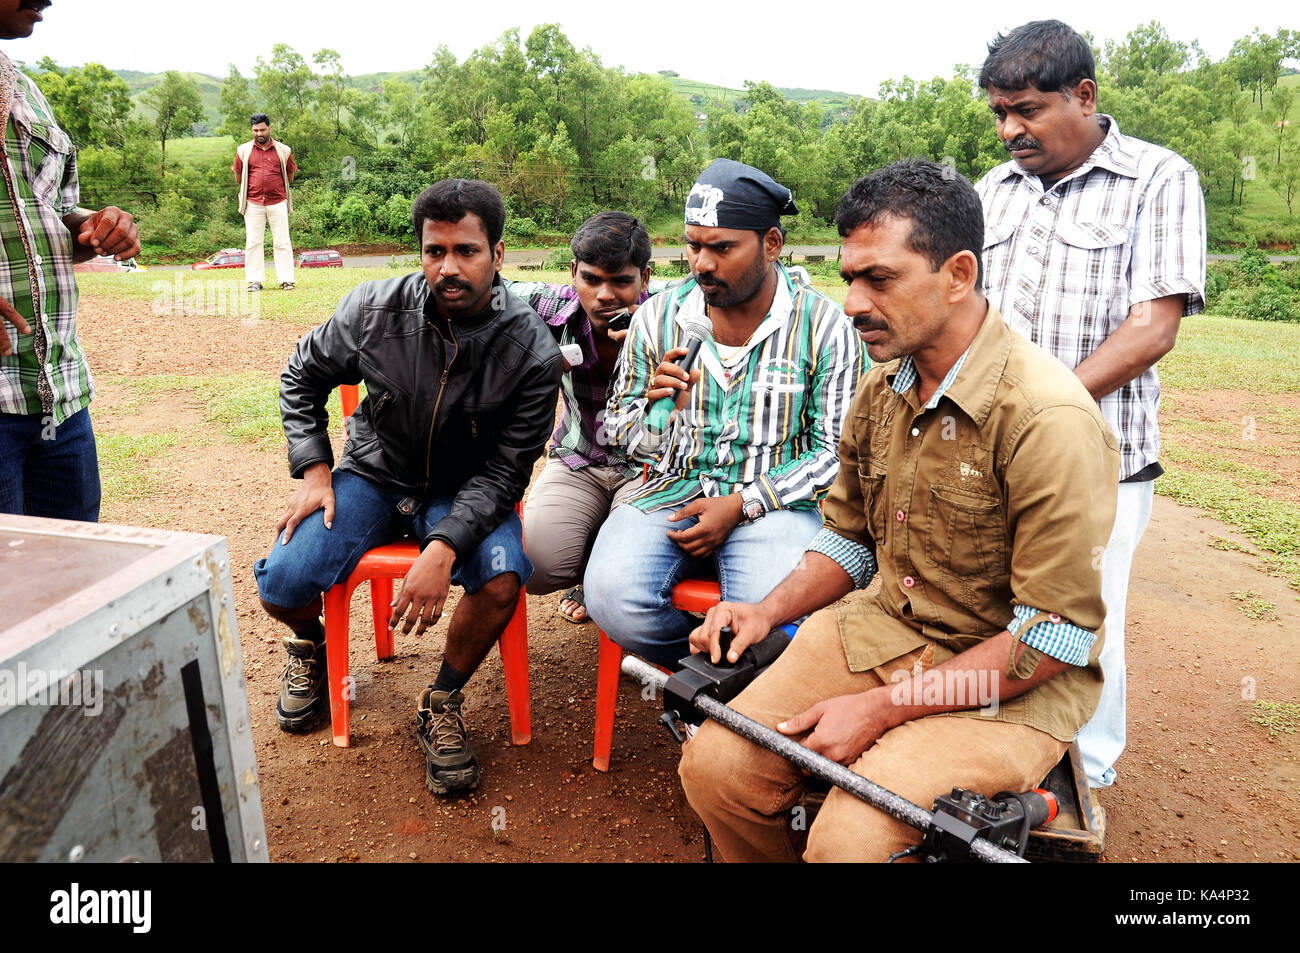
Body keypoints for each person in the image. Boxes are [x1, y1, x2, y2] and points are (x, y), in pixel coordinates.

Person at [678, 158, 1121, 862]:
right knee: (716, 768)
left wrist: (882, 710)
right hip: (880, 631)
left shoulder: (1048, 418)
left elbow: (1053, 639)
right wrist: (764, 611)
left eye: (878, 278)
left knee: (849, 840)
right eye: (849, 276)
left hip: (1006, 684)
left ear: (959, 274)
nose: (853, 301)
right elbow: (850, 544)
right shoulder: (883, 387)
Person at [253, 179, 561, 796]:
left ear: (498, 256)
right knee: (283, 579)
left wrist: (444, 548)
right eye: (434, 250)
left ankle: (441, 700)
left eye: (466, 251)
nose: (448, 267)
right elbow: (302, 374)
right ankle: (310, 648)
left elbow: (505, 472)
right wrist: (315, 468)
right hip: (372, 473)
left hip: (465, 487)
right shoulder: (372, 309)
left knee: (504, 577)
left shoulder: (532, 350)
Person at [973, 19, 1207, 787]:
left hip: (1099, 455)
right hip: (987, 450)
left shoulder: (1159, 178)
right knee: (987, 603)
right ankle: (992, 758)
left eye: (1028, 110)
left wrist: (1041, 413)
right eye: (1000, 112)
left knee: (1084, 619)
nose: (1011, 129)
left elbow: (1152, 327)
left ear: (1084, 95)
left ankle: (1086, 773)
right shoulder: (991, 191)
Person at [583, 159, 864, 668]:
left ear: (772, 244)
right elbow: (620, 433)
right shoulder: (659, 316)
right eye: (693, 245)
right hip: (674, 490)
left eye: (722, 247)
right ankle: (708, 673)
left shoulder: (825, 326)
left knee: (769, 613)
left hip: (779, 502)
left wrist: (742, 504)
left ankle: (726, 682)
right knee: (611, 598)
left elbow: (838, 454)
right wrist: (655, 412)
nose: (701, 264)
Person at [0, 0, 141, 522]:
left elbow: (53, 211)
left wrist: (98, 226)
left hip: (58, 394)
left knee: (70, 586)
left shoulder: (26, 93)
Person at [508, 212, 655, 624]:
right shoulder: (550, 306)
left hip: (651, 469)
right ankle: (591, 552)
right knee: (531, 564)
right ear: (573, 273)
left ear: (644, 278)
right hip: (579, 458)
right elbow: (481, 286)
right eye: (591, 279)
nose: (604, 295)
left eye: (621, 281)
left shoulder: (673, 314)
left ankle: (598, 571)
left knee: (626, 574)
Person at [233, 113, 296, 292]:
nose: (259, 133)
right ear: (252, 130)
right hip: (253, 203)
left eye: (262, 129)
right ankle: (254, 281)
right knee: (253, 242)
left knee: (282, 241)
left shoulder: (284, 150)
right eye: (255, 130)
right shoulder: (243, 150)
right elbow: (238, 175)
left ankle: (287, 280)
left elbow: (290, 174)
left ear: (269, 128)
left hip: (278, 202)